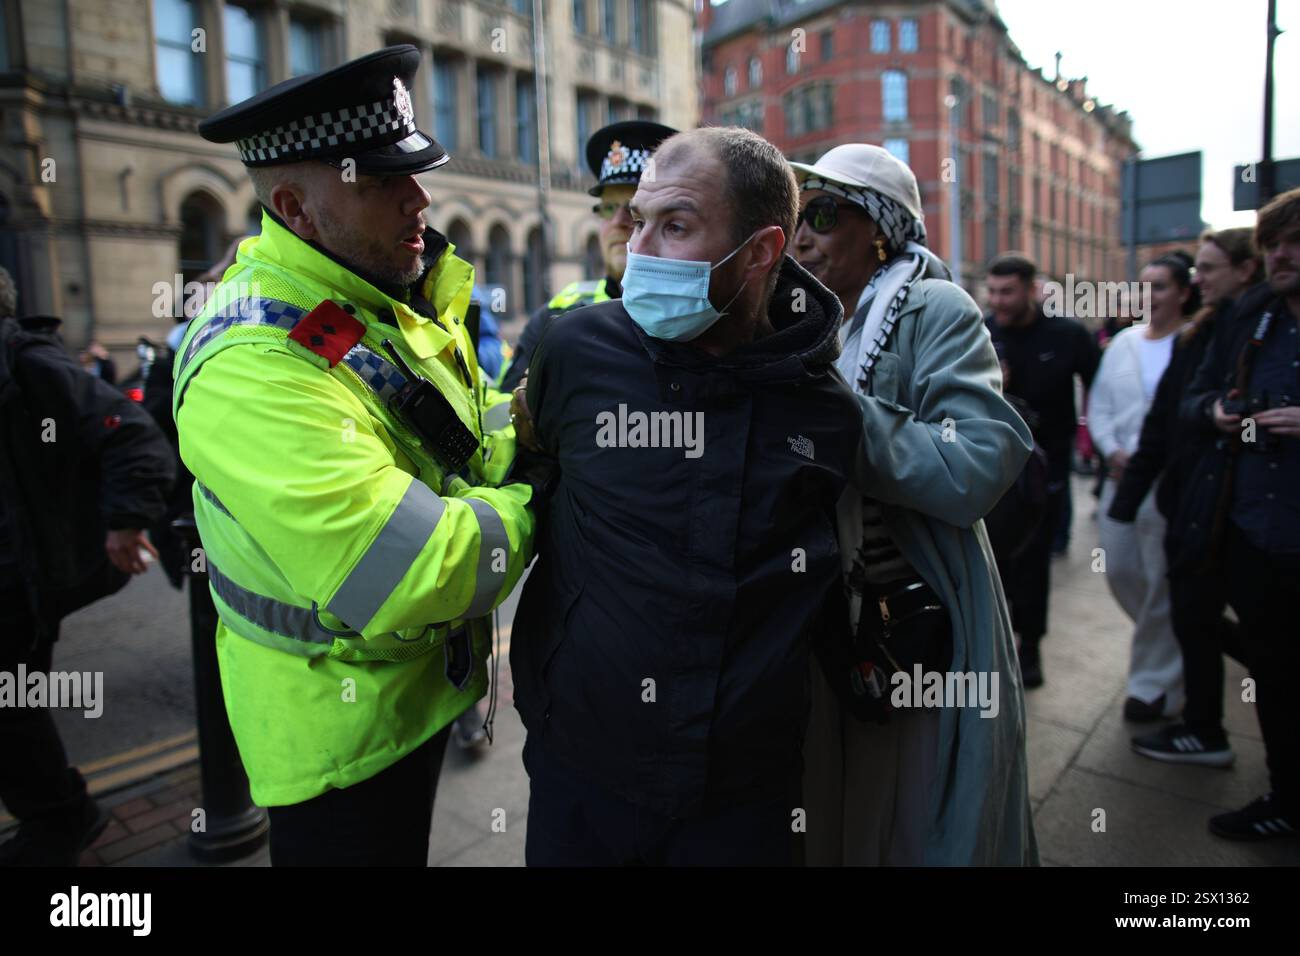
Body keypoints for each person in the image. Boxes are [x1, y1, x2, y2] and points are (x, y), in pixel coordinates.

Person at [178, 45, 537, 865]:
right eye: (378, 181)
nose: (419, 199)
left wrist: (524, 428)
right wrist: (542, 494)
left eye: (414, 172)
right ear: (295, 209)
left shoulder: (366, 296)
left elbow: (462, 440)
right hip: (336, 742)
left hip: (407, 701)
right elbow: (406, 568)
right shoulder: (251, 364)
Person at [509, 127, 863, 866]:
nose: (637, 250)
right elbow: (530, 486)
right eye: (637, 220)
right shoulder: (573, 354)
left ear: (762, 251)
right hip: (583, 763)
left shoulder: (825, 411)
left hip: (745, 791)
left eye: (674, 226)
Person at [790, 144, 1036, 865]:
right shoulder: (804, 316)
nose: (802, 235)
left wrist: (834, 411)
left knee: (911, 812)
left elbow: (975, 466)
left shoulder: (934, 306)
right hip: (819, 617)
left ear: (882, 230)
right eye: (796, 216)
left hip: (910, 610)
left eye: (824, 214)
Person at [0, 268, 176, 866]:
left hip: (17, 576)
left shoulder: (27, 361)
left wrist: (126, 521)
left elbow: (134, 436)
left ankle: (61, 816)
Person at [1112, 229, 1262, 764]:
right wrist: (1126, 500)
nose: (1200, 279)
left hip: (1249, 511)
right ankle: (1203, 728)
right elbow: (1168, 417)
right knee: (1193, 614)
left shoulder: (1269, 327)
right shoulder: (1201, 335)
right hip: (1195, 502)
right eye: (1197, 268)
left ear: (1246, 269)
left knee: (1249, 622)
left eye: (1210, 268)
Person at [1180, 187, 1300, 841]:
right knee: (1275, 675)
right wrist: (1215, 412)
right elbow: (1198, 394)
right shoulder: (1255, 319)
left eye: (1294, 242)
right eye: (1273, 242)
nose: (1282, 254)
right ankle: (1286, 797)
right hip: (1256, 533)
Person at [1089, 255, 1200, 723]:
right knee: (1121, 569)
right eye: (1144, 286)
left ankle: (1151, 686)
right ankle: (1171, 639)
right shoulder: (1123, 344)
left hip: (1170, 485)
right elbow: (1099, 404)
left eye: (1160, 287)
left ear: (1183, 293)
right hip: (1122, 480)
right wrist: (1111, 448)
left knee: (1161, 581)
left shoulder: (1196, 344)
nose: (1149, 296)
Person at [986, 255, 1101, 688]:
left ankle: (1029, 648)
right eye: (993, 291)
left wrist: (1099, 441)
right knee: (996, 563)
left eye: (1007, 291)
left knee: (1034, 562)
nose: (998, 300)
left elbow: (1101, 387)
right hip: (995, 469)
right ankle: (997, 643)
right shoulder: (982, 330)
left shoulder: (1067, 334)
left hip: (1045, 469)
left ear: (1031, 289)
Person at [498, 120, 676, 391]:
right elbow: (503, 408)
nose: (618, 221)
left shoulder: (692, 314)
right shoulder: (557, 314)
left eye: (634, 208)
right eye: (607, 207)